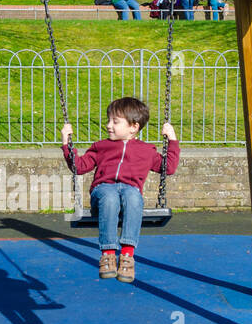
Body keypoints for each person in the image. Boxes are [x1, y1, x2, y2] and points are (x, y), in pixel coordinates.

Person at [61, 97, 179, 284]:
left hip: (130, 194)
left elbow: (168, 167)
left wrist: (171, 139)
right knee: (109, 196)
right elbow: (79, 167)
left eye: (115, 122)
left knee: (133, 195)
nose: (109, 125)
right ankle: (108, 254)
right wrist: (67, 144)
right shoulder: (101, 147)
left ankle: (127, 256)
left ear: (134, 127)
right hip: (103, 191)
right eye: (109, 120)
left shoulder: (146, 150)